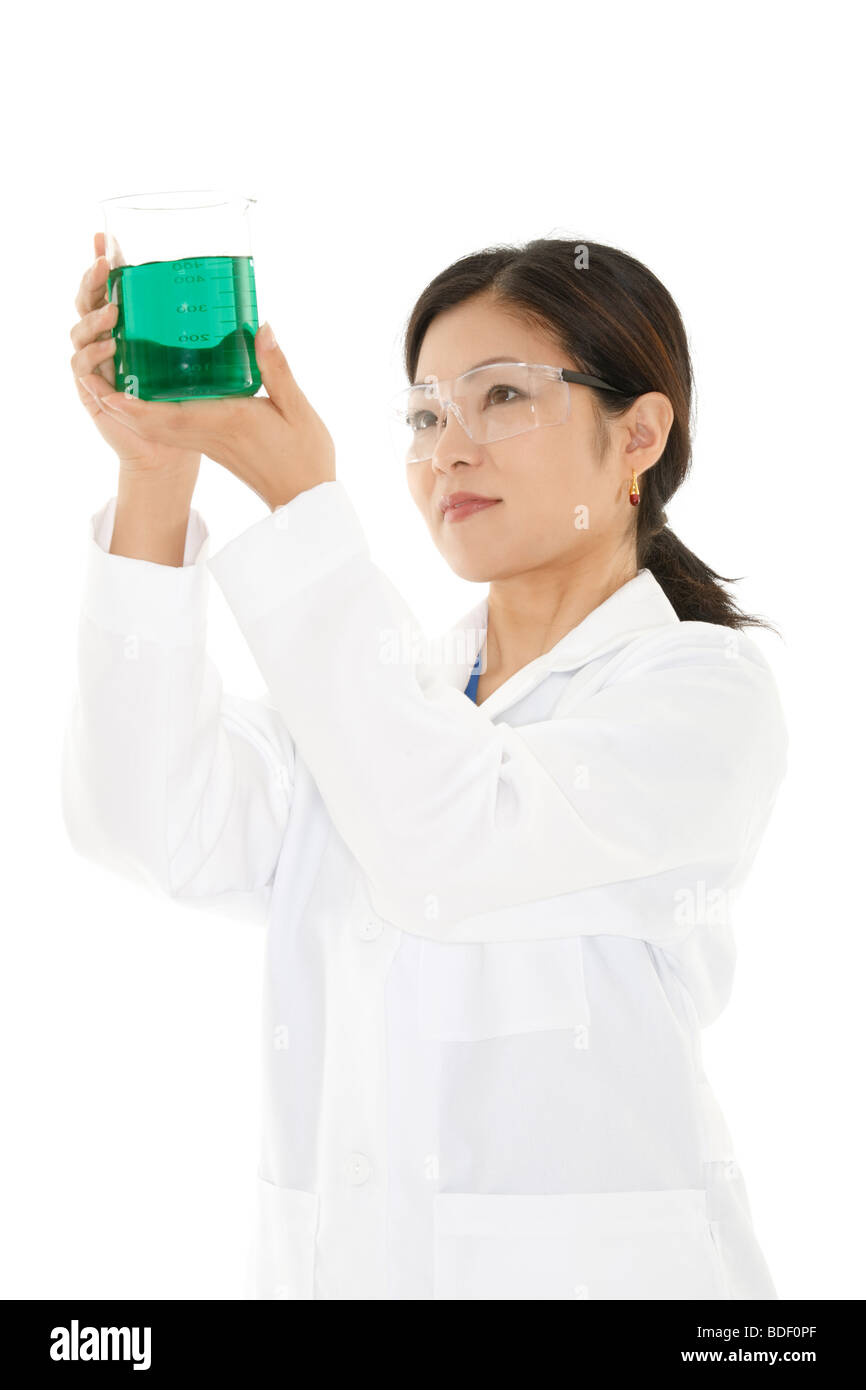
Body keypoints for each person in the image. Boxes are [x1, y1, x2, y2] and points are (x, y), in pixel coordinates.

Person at [63, 234, 788, 1300]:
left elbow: (443, 843)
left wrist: (302, 502)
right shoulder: (381, 697)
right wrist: (154, 471)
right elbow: (146, 824)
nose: (448, 447)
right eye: (424, 414)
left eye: (502, 397)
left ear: (636, 433)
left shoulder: (700, 694)